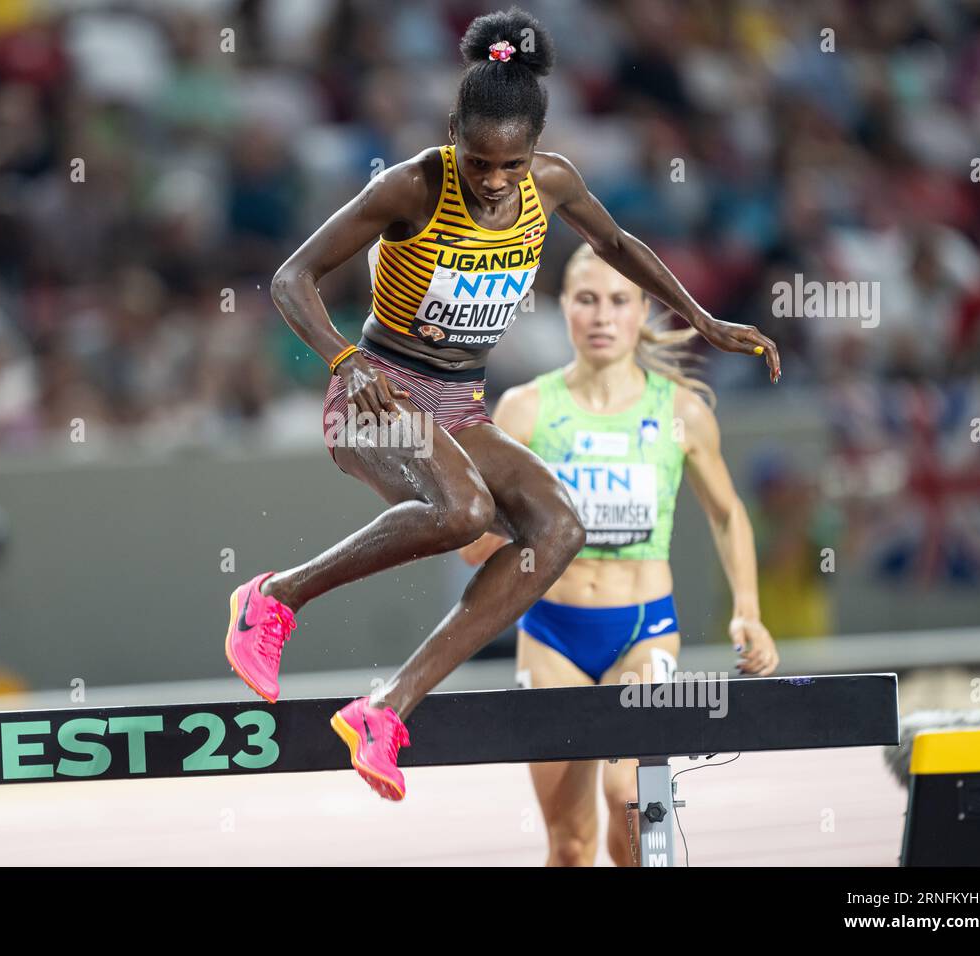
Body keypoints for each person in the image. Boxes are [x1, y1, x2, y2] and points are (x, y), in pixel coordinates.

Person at [222, 7, 781, 801]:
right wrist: (346, 362)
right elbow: (290, 279)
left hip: (457, 406)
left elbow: (618, 246)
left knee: (560, 528)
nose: (492, 181)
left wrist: (701, 319)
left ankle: (386, 708)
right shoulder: (410, 186)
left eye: (508, 167)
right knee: (462, 511)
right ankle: (272, 599)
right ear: (454, 133)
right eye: (478, 161)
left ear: (536, 151)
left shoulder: (553, 182)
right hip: (376, 393)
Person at [460, 246, 780, 865]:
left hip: (644, 631)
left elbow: (727, 512)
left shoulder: (680, 410)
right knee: (571, 844)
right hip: (551, 635)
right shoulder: (525, 409)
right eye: (586, 300)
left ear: (642, 312)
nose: (602, 316)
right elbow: (477, 543)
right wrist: (487, 531)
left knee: (632, 805)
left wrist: (748, 610)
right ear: (563, 310)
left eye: (618, 301)